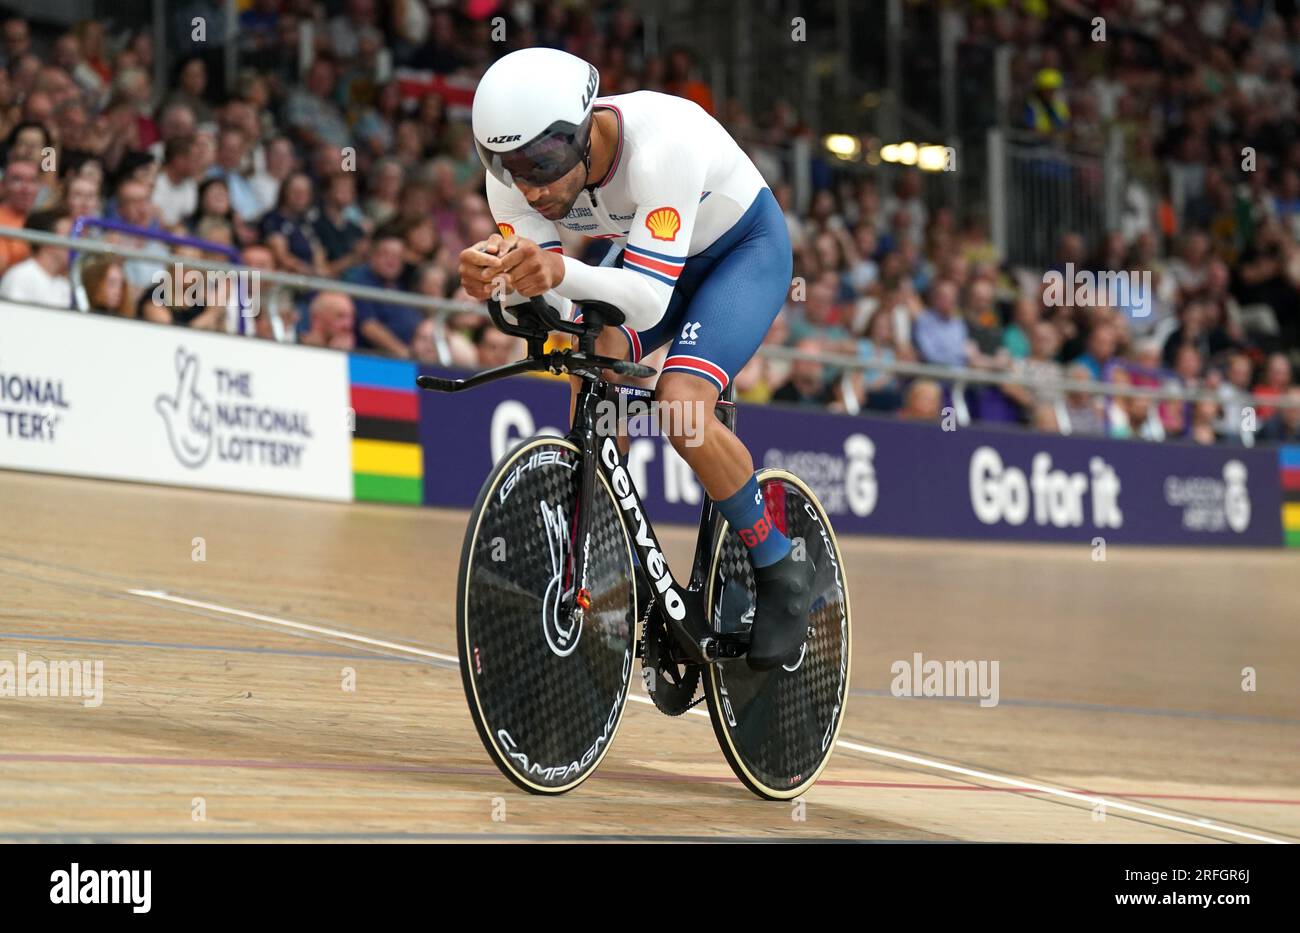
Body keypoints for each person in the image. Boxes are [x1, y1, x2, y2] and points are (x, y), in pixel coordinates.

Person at [457, 48, 808, 670]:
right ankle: (599, 547)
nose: (531, 189)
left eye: (543, 164)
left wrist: (559, 269)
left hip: (740, 254)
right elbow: (559, 304)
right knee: (588, 361)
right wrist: (501, 280)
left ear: (586, 131)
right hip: (653, 258)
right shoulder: (514, 179)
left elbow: (646, 302)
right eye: (511, 169)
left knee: (682, 409)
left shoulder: (663, 140)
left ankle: (778, 565)